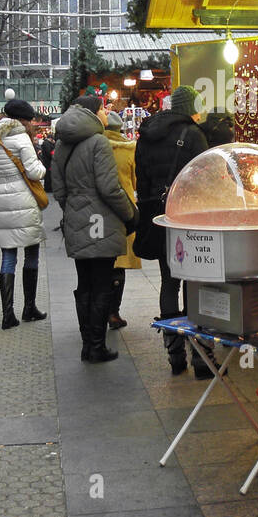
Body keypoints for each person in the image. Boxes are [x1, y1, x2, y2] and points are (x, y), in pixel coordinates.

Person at [52, 96, 136, 363]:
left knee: (85, 284)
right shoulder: (98, 142)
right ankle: (96, 347)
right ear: (91, 113)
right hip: (101, 220)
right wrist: (130, 214)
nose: (105, 112)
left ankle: (87, 343)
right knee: (101, 284)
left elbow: (59, 189)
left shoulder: (63, 144)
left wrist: (74, 210)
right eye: (101, 109)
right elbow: (109, 188)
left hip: (77, 218)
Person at [134, 84, 209, 376]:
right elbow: (206, 178)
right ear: (190, 107)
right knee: (193, 282)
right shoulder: (193, 135)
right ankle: (201, 359)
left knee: (169, 280)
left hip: (159, 217)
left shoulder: (146, 136)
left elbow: (141, 180)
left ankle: (174, 355)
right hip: (189, 219)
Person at [0, 99, 48, 327]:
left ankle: (8, 314)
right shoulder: (21, 137)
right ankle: (29, 307)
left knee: (8, 255)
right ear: (21, 120)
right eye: (29, 119)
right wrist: (43, 166)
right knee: (31, 252)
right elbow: (34, 172)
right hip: (23, 198)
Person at [102, 111, 140, 330]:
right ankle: (114, 312)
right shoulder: (129, 150)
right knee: (120, 263)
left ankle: (100, 310)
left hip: (100, 209)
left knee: (101, 263)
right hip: (125, 209)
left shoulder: (95, 146)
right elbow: (135, 183)